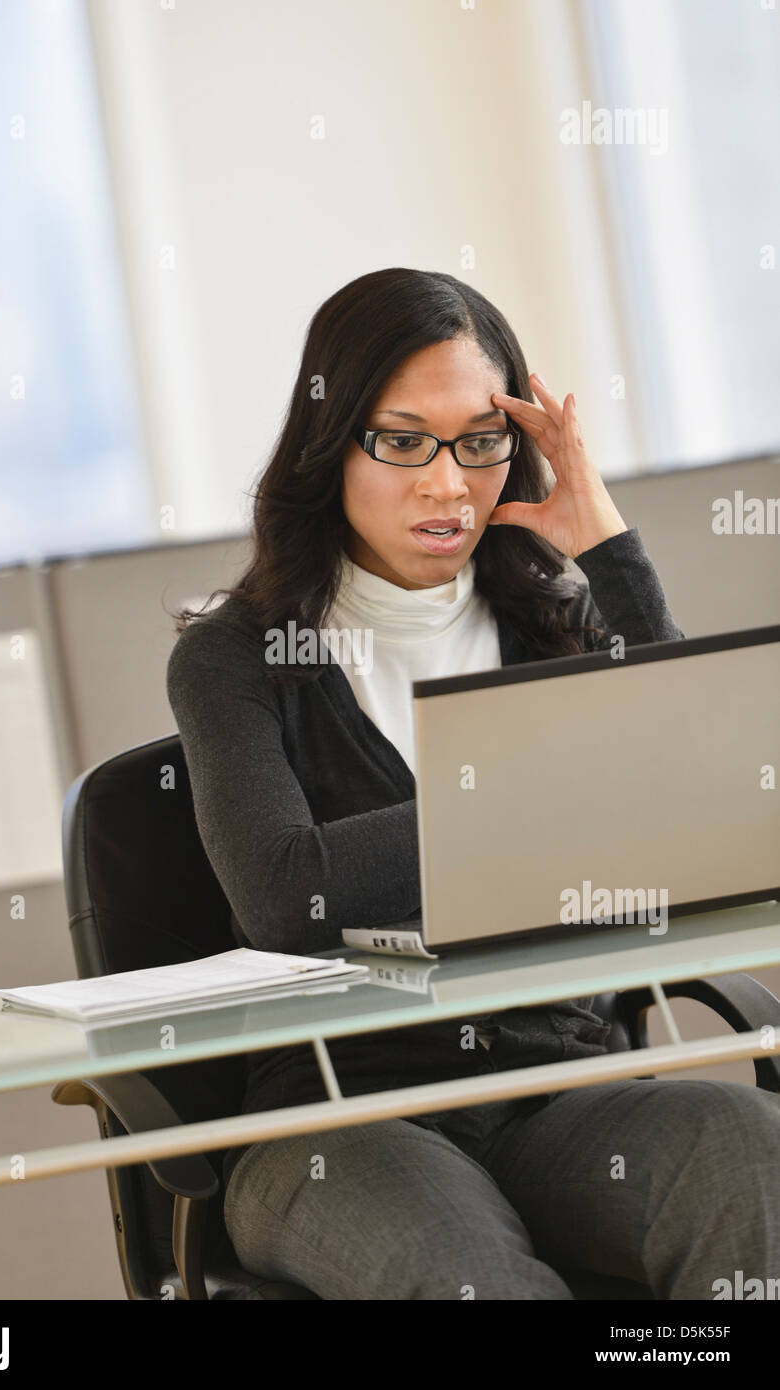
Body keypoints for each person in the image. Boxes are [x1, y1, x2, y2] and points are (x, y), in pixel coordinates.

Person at [165, 267, 780, 1300]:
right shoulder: (235, 657)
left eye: (480, 441)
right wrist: (531, 790)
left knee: (744, 1156)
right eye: (402, 440)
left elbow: (695, 810)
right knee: (464, 1276)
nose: (447, 482)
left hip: (554, 1090)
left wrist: (606, 547)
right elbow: (285, 893)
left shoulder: (557, 629)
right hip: (341, 1122)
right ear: (332, 445)